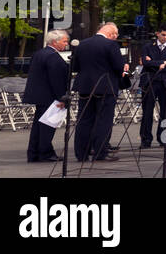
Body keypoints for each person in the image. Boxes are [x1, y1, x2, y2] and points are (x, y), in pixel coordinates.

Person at [72, 23, 128, 162]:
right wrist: (124, 68)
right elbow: (118, 67)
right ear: (112, 34)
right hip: (106, 87)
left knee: (84, 120)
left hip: (85, 87)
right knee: (103, 121)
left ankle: (81, 153)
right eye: (115, 35)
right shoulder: (111, 45)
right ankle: (100, 152)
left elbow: (75, 66)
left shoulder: (82, 44)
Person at [22, 29, 70, 163]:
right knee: (47, 127)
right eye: (64, 41)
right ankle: (45, 153)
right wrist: (62, 98)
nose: (66, 44)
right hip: (50, 97)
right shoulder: (52, 56)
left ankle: (34, 152)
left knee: (38, 127)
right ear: (55, 42)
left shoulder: (39, 54)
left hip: (40, 96)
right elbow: (56, 79)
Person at [139, 28, 166, 148]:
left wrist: (154, 62)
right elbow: (145, 62)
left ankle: (164, 139)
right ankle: (145, 140)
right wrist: (162, 63)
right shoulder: (148, 46)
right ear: (157, 34)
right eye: (163, 35)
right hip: (150, 81)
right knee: (147, 111)